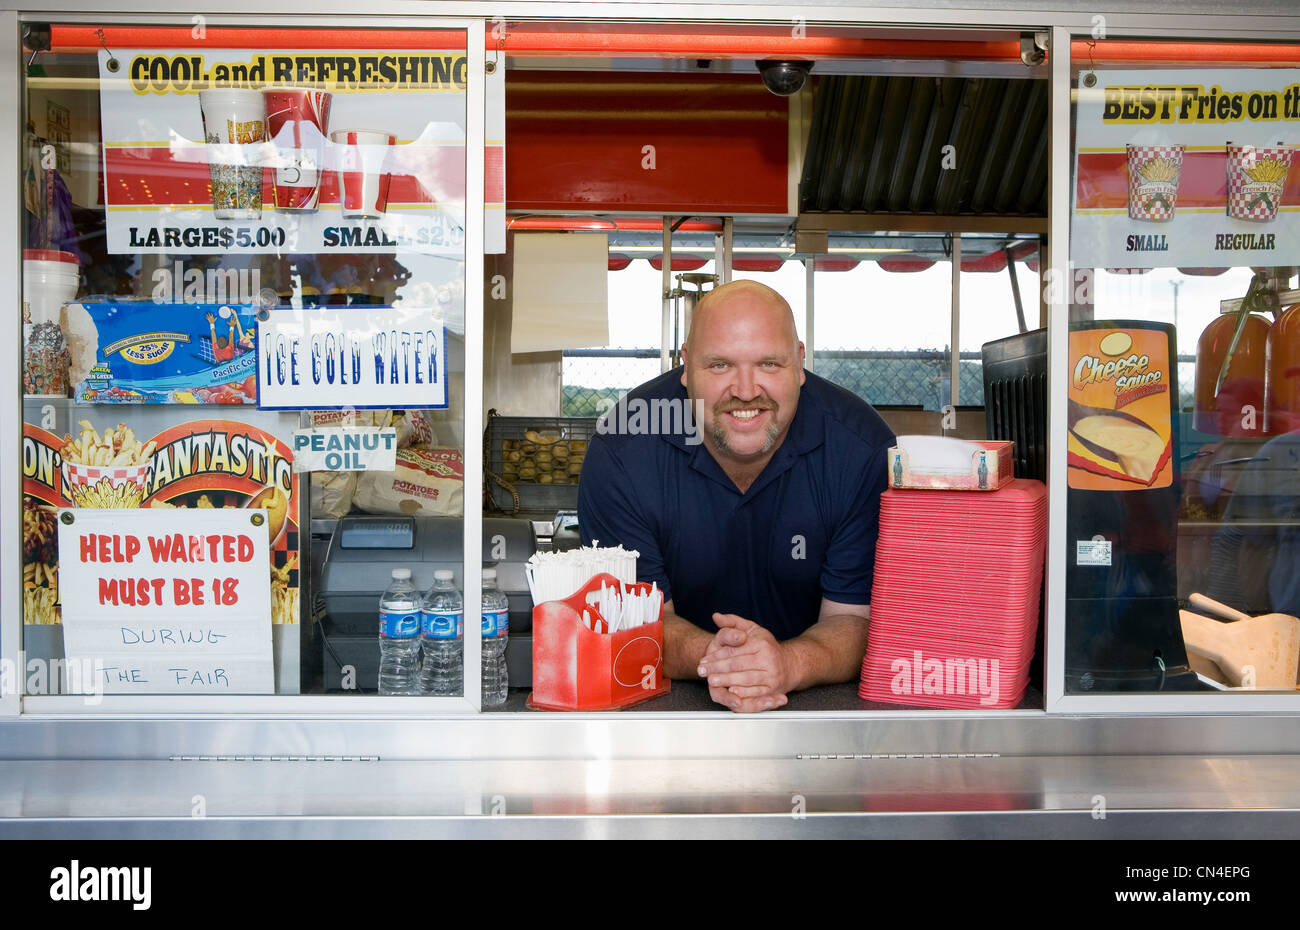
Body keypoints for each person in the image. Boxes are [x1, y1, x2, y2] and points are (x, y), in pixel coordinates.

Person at [578, 280, 895, 712]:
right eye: (720, 365)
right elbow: (633, 621)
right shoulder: (623, 449)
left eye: (768, 363)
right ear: (686, 365)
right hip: (666, 705)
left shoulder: (862, 450)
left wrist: (785, 664)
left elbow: (855, 620)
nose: (746, 391)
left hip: (820, 700)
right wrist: (725, 662)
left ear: (800, 363)